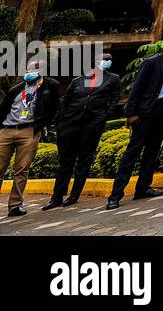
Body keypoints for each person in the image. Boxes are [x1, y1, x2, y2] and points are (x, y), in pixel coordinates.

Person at [107, 35, 163, 210]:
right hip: (146, 112)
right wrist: (131, 114)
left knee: (153, 151)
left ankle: (143, 187)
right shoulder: (151, 62)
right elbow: (137, 88)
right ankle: (115, 195)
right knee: (132, 153)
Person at [43, 48, 121, 209]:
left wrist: (103, 116)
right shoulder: (77, 81)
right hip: (70, 123)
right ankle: (56, 196)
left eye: (109, 59)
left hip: (92, 124)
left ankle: (74, 195)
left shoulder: (113, 79)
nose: (107, 61)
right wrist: (61, 122)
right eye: (104, 58)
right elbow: (65, 102)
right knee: (65, 161)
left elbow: (114, 100)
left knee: (84, 160)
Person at [0, 59, 59, 217]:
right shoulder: (16, 89)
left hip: (29, 132)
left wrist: (41, 125)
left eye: (34, 69)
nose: (29, 72)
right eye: (28, 69)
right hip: (6, 131)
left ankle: (15, 205)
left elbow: (53, 108)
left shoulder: (51, 86)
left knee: (21, 170)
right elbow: (4, 108)